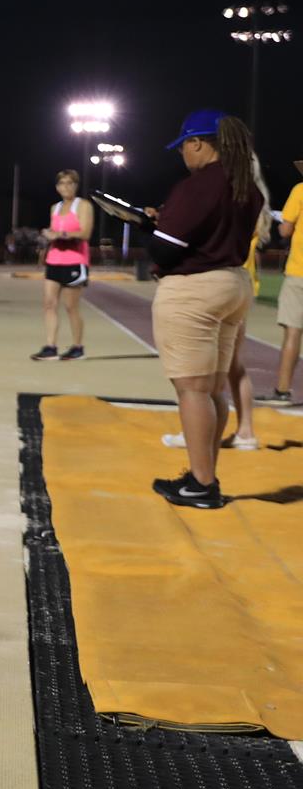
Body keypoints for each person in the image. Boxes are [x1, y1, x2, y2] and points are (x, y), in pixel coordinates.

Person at [144, 110, 264, 509]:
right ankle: (203, 474)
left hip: (196, 290)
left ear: (197, 143)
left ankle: (202, 483)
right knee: (213, 388)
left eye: (183, 147)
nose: (182, 155)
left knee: (193, 389)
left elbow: (165, 248)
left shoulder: (197, 185)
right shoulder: (248, 186)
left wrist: (152, 227)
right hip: (233, 284)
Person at [32, 170, 93, 360]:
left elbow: (85, 233)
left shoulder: (83, 205)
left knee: (70, 306)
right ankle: (51, 346)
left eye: (70, 183)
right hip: (54, 260)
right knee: (49, 304)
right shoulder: (55, 208)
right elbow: (53, 231)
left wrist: (59, 235)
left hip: (75, 261)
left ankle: (77, 347)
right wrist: (48, 234)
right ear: (57, 187)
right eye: (62, 183)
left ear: (76, 185)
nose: (66, 187)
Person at [267, 158, 302, 405]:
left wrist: (283, 223)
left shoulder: (300, 191)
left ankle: (282, 390)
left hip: (299, 272)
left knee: (293, 332)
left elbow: (286, 231)